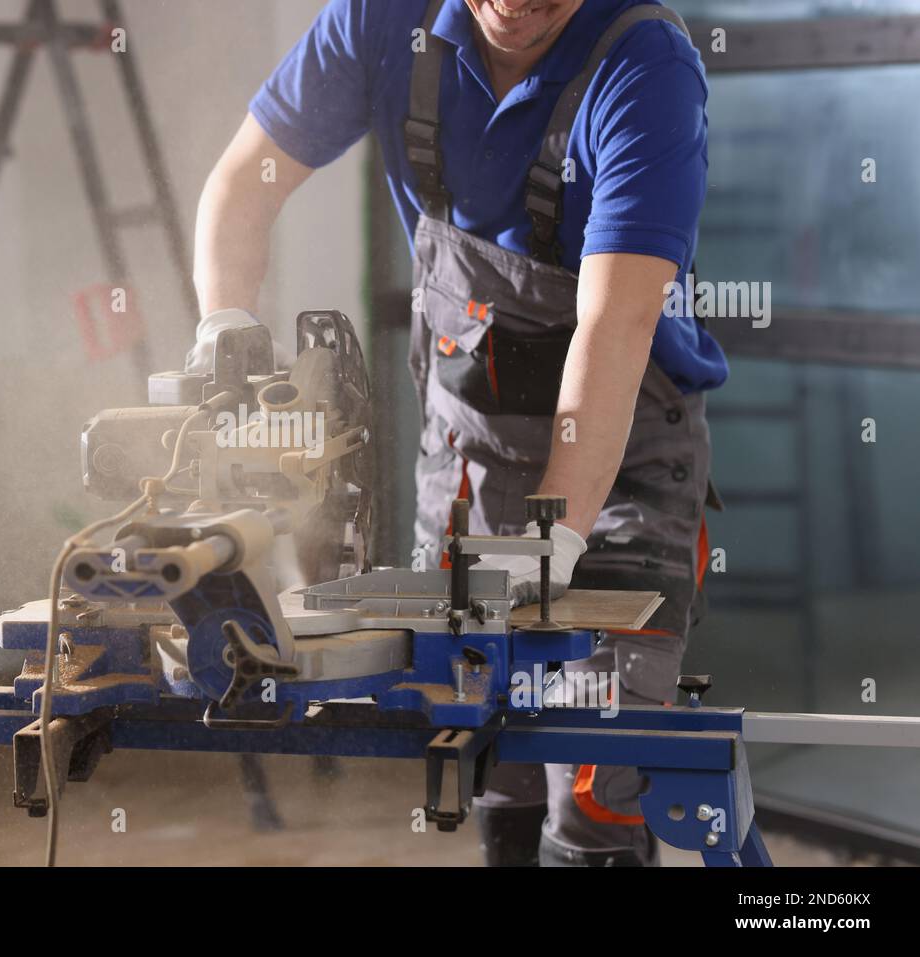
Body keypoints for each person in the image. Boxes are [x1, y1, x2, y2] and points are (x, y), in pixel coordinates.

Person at [185, 0, 727, 866]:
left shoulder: (644, 67)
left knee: (594, 767)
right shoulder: (378, 20)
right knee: (495, 750)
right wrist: (225, 327)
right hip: (467, 460)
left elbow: (612, 330)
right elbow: (240, 187)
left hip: (618, 464)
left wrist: (554, 541)